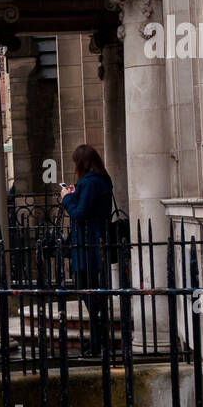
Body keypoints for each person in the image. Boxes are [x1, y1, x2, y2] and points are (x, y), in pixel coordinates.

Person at [61, 143, 115, 356]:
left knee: (89, 290)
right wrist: (75, 193)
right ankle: (97, 339)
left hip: (87, 243)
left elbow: (80, 213)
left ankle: (99, 341)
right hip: (93, 241)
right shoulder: (99, 180)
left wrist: (66, 199)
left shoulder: (91, 183)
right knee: (91, 291)